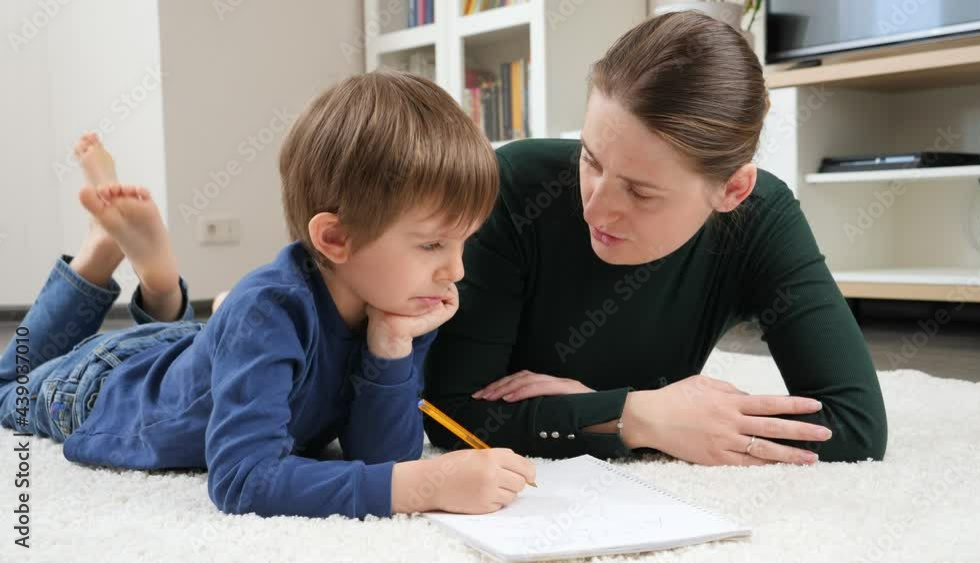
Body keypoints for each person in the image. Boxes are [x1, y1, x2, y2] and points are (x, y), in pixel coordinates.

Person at [0, 71, 536, 519]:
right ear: (335, 239)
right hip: (105, 385)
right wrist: (423, 487)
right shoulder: (269, 309)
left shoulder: (402, 303)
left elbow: (379, 456)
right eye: (433, 244)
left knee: (204, 350)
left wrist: (390, 347)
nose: (456, 270)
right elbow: (242, 479)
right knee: (8, 388)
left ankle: (160, 285)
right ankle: (98, 259)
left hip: (201, 351)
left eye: (464, 242)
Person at [423, 12, 888, 466]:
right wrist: (638, 416)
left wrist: (614, 412)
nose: (594, 209)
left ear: (732, 190)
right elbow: (452, 415)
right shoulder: (517, 188)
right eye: (591, 160)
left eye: (640, 192)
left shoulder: (762, 216)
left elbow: (855, 426)